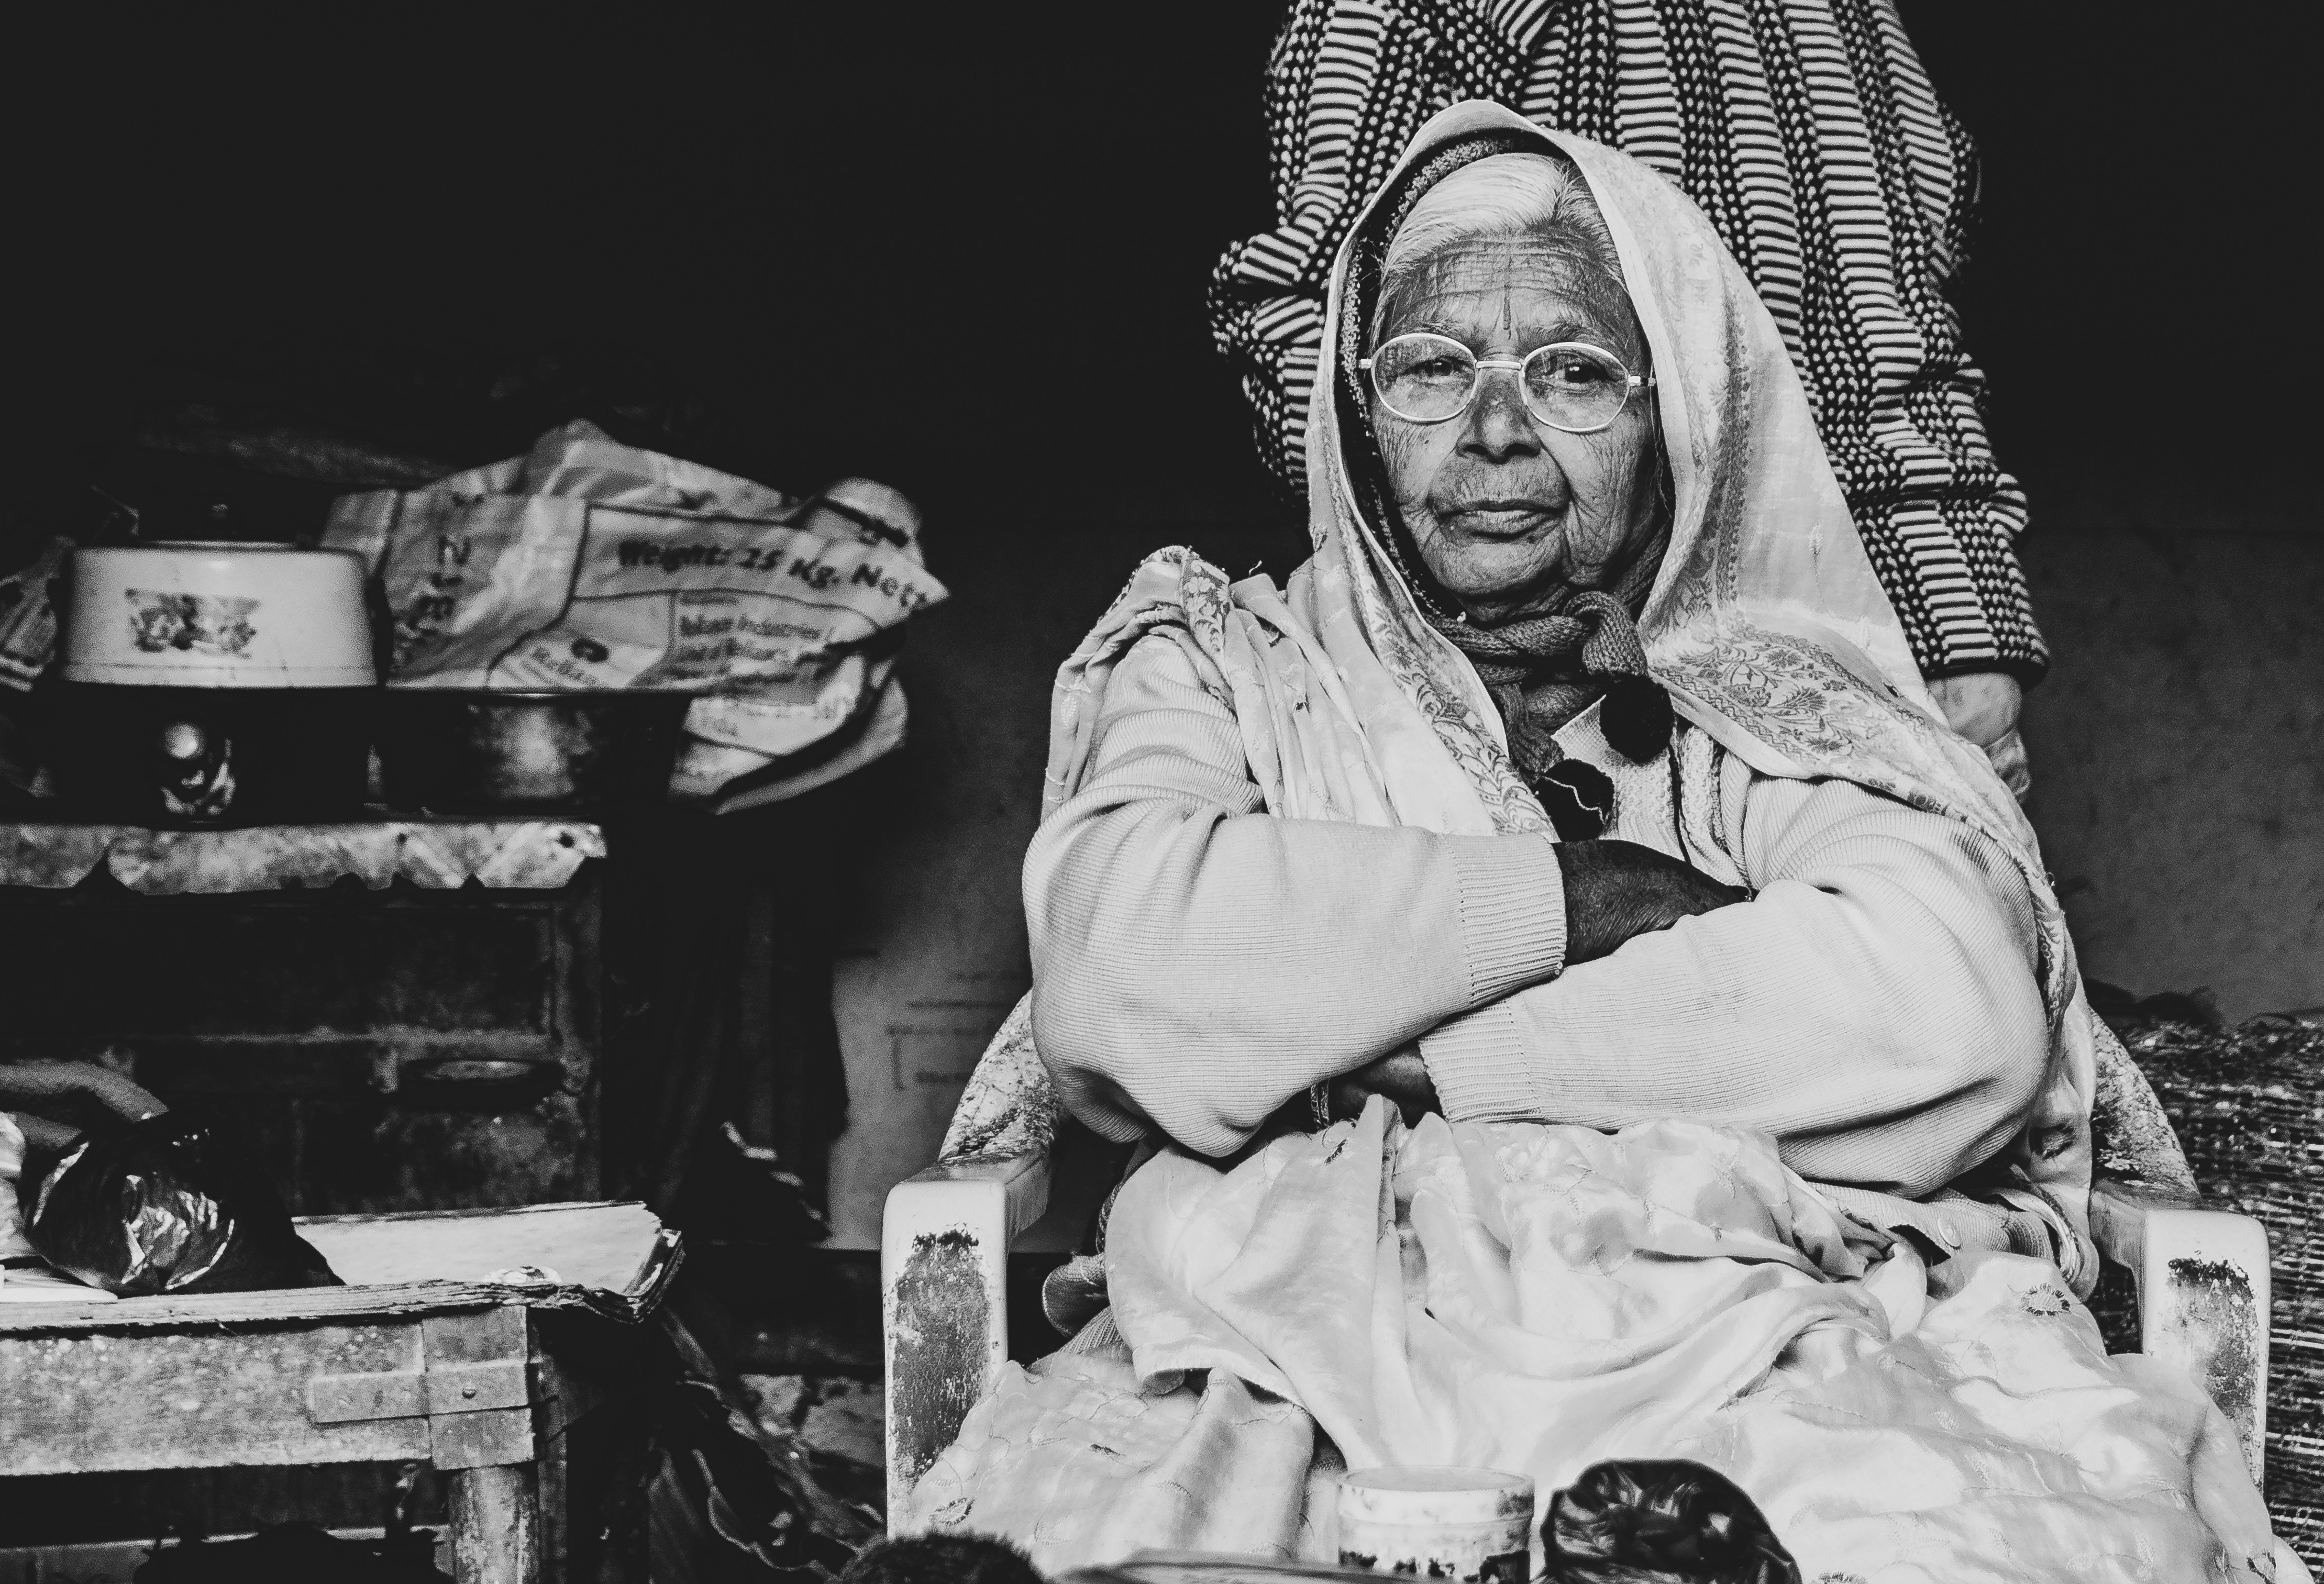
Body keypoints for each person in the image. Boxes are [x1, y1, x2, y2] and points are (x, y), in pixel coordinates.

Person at [906, 105, 2295, 1582]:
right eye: (1431, 369)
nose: (1492, 431)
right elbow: (1124, 972)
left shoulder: (1772, 706)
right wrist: (1584, 902)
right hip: (1282, 1354)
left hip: (1778, 1347)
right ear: (1360, 416)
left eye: (1571, 373)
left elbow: (1945, 1006)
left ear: (1667, 414)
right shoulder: (1224, 668)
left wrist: (1394, 1054)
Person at [1208, 0, 2039, 793]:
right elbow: (1332, 321)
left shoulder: (1840, 3)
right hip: (1591, 674)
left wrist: (1965, 633)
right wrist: (1485, 591)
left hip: (1906, 659)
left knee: (1905, 914)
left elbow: (1900, 316)